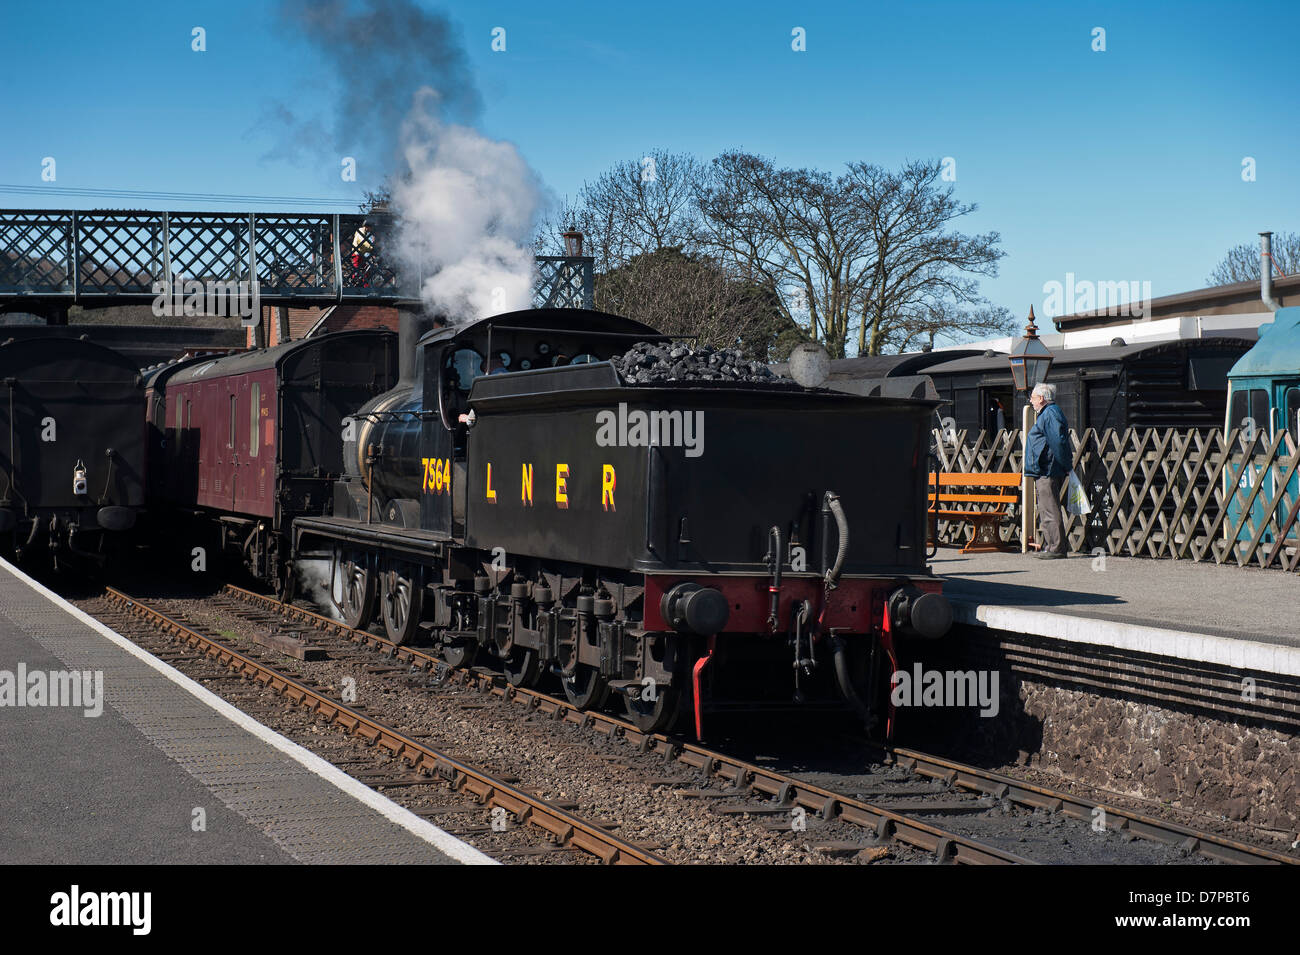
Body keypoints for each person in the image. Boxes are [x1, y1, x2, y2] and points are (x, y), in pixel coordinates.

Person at [1023, 382, 1072, 558]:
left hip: (1047, 468)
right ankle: (1052, 546)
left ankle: (1056, 548)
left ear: (1042, 398)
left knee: (1049, 508)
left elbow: (1058, 442)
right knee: (1046, 508)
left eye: (1033, 397)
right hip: (1046, 467)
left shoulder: (1050, 413)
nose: (1031, 401)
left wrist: (1065, 464)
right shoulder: (1050, 413)